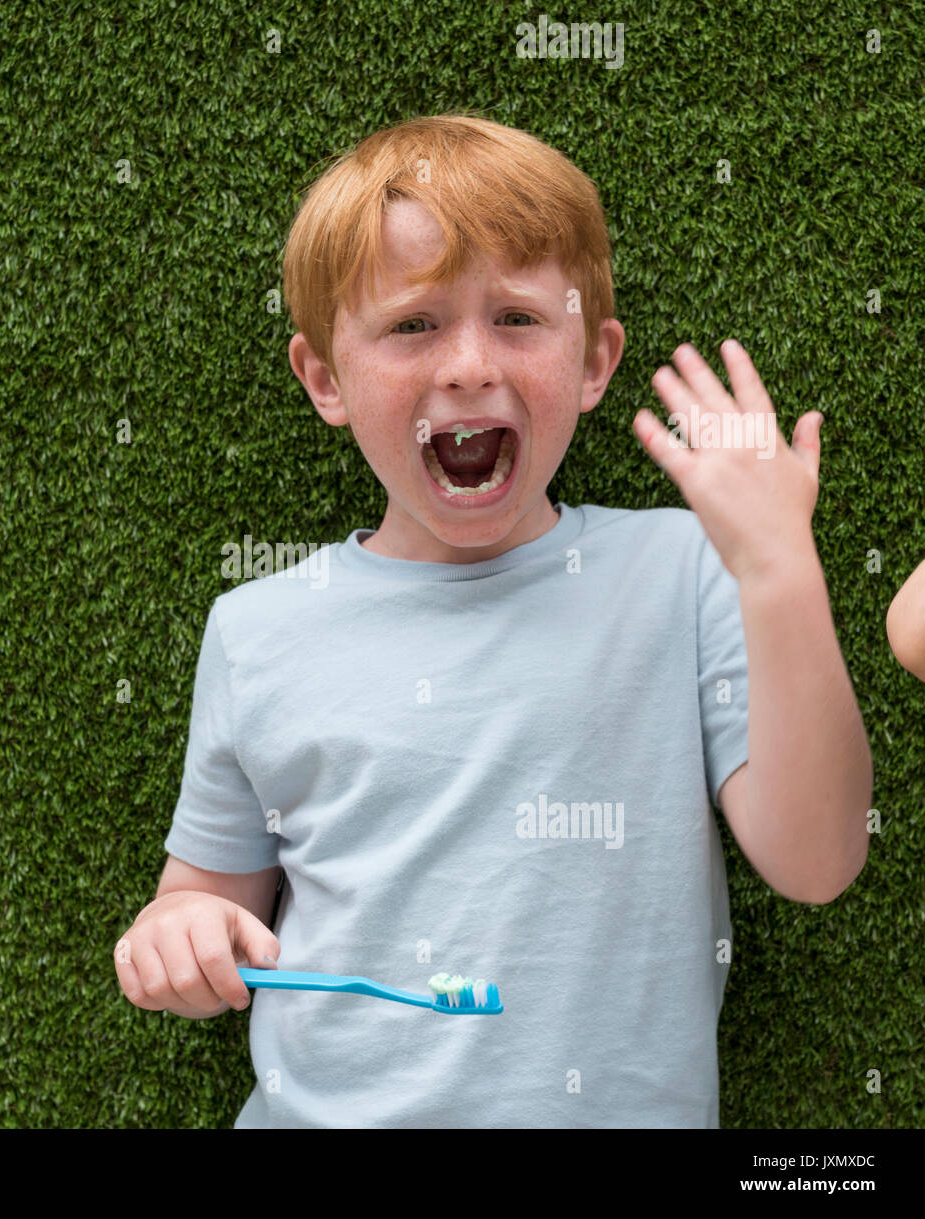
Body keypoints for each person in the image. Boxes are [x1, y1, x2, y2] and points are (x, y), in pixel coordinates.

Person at [114, 112, 873, 1127]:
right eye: (412, 325)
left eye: (517, 318)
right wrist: (179, 932)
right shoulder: (256, 631)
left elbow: (817, 860)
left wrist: (780, 569)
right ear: (324, 378)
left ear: (595, 361)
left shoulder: (683, 571)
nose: (469, 363)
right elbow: (203, 895)